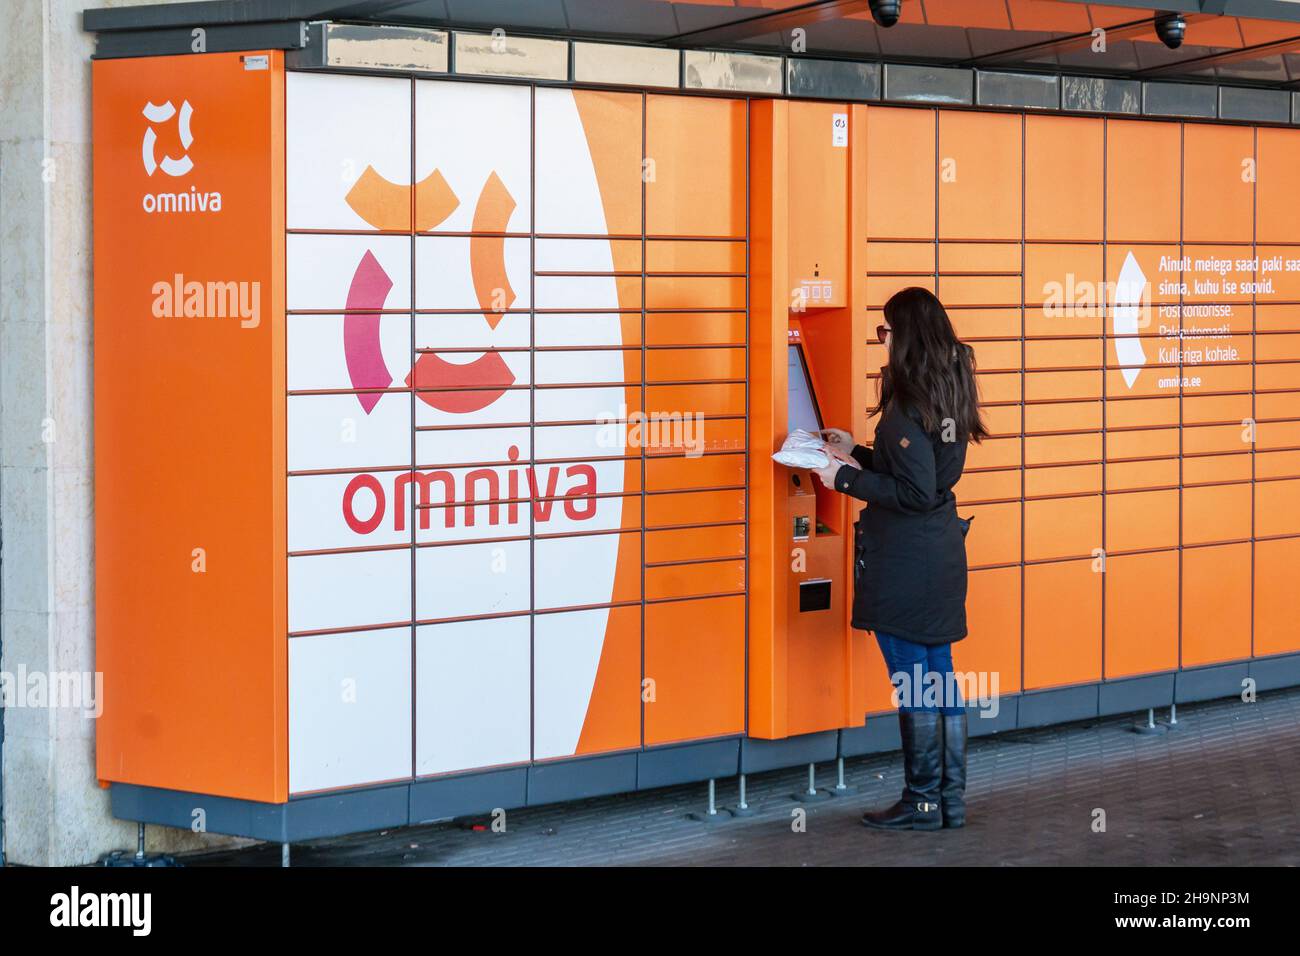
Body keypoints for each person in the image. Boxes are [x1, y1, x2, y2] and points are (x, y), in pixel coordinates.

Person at [814, 286, 987, 831]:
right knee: (939, 679)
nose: (881, 340)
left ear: (905, 335)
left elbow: (912, 491)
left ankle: (921, 802)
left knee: (916, 683)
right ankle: (948, 802)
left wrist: (841, 477)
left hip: (907, 564)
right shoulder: (948, 392)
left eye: (885, 331)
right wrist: (856, 450)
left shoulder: (908, 405)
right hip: (939, 554)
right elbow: (926, 478)